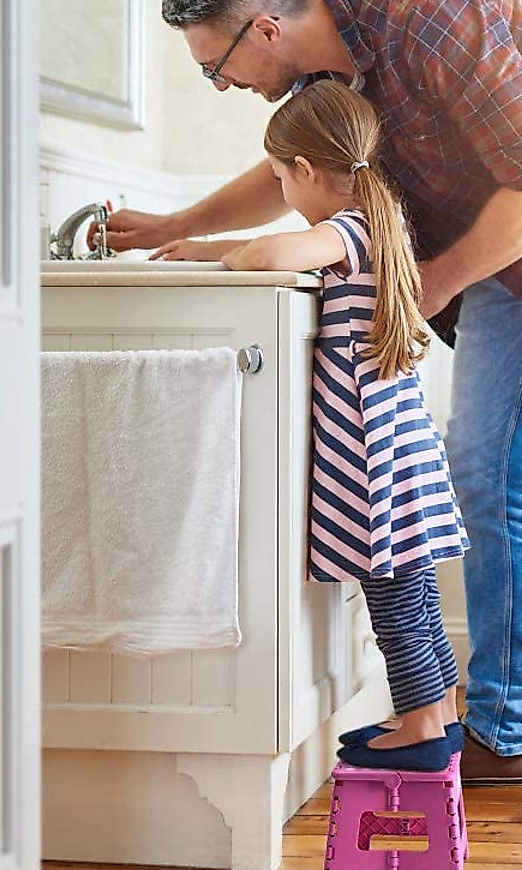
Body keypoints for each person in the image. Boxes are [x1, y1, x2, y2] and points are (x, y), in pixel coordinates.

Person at [94, 0, 522, 821]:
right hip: (508, 242)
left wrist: (419, 292)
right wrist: (172, 226)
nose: (220, 85)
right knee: (478, 476)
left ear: (263, 27)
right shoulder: (322, 86)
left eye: (217, 65)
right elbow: (292, 171)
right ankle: (501, 731)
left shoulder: (434, 18)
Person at [165, 79, 469, 772]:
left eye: (279, 178)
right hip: (394, 431)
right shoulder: (377, 220)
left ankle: (420, 725)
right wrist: (208, 247)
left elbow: (272, 256)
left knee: (390, 590)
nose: (282, 191)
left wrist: (229, 253)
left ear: (306, 171)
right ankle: (440, 712)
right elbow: (281, 244)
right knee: (413, 585)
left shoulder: (345, 230)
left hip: (365, 439)